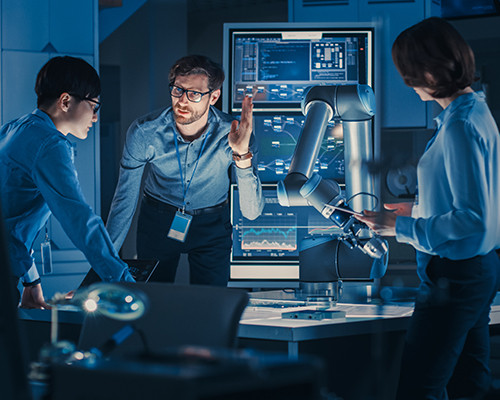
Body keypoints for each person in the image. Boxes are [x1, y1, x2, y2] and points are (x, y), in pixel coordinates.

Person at [356, 17, 500, 399]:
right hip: (475, 271)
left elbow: (473, 219)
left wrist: (397, 228)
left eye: (407, 70)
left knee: (419, 388)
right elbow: (470, 201)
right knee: (469, 384)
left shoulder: (460, 126)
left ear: (427, 70)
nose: (405, 79)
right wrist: (416, 210)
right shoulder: (474, 112)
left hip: (455, 276)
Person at [106, 55, 263, 287]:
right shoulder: (145, 132)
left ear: (214, 97)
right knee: (154, 304)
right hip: (158, 220)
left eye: (194, 94)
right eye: (178, 90)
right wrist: (106, 260)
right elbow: (124, 200)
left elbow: (251, 212)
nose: (182, 101)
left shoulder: (235, 135)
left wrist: (241, 155)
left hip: (212, 223)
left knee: (210, 306)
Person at [0, 56, 135, 309]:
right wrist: (125, 284)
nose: (95, 117)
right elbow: (79, 218)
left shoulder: (13, 129)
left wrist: (31, 282)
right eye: (94, 105)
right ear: (65, 101)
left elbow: (10, 222)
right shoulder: (50, 144)